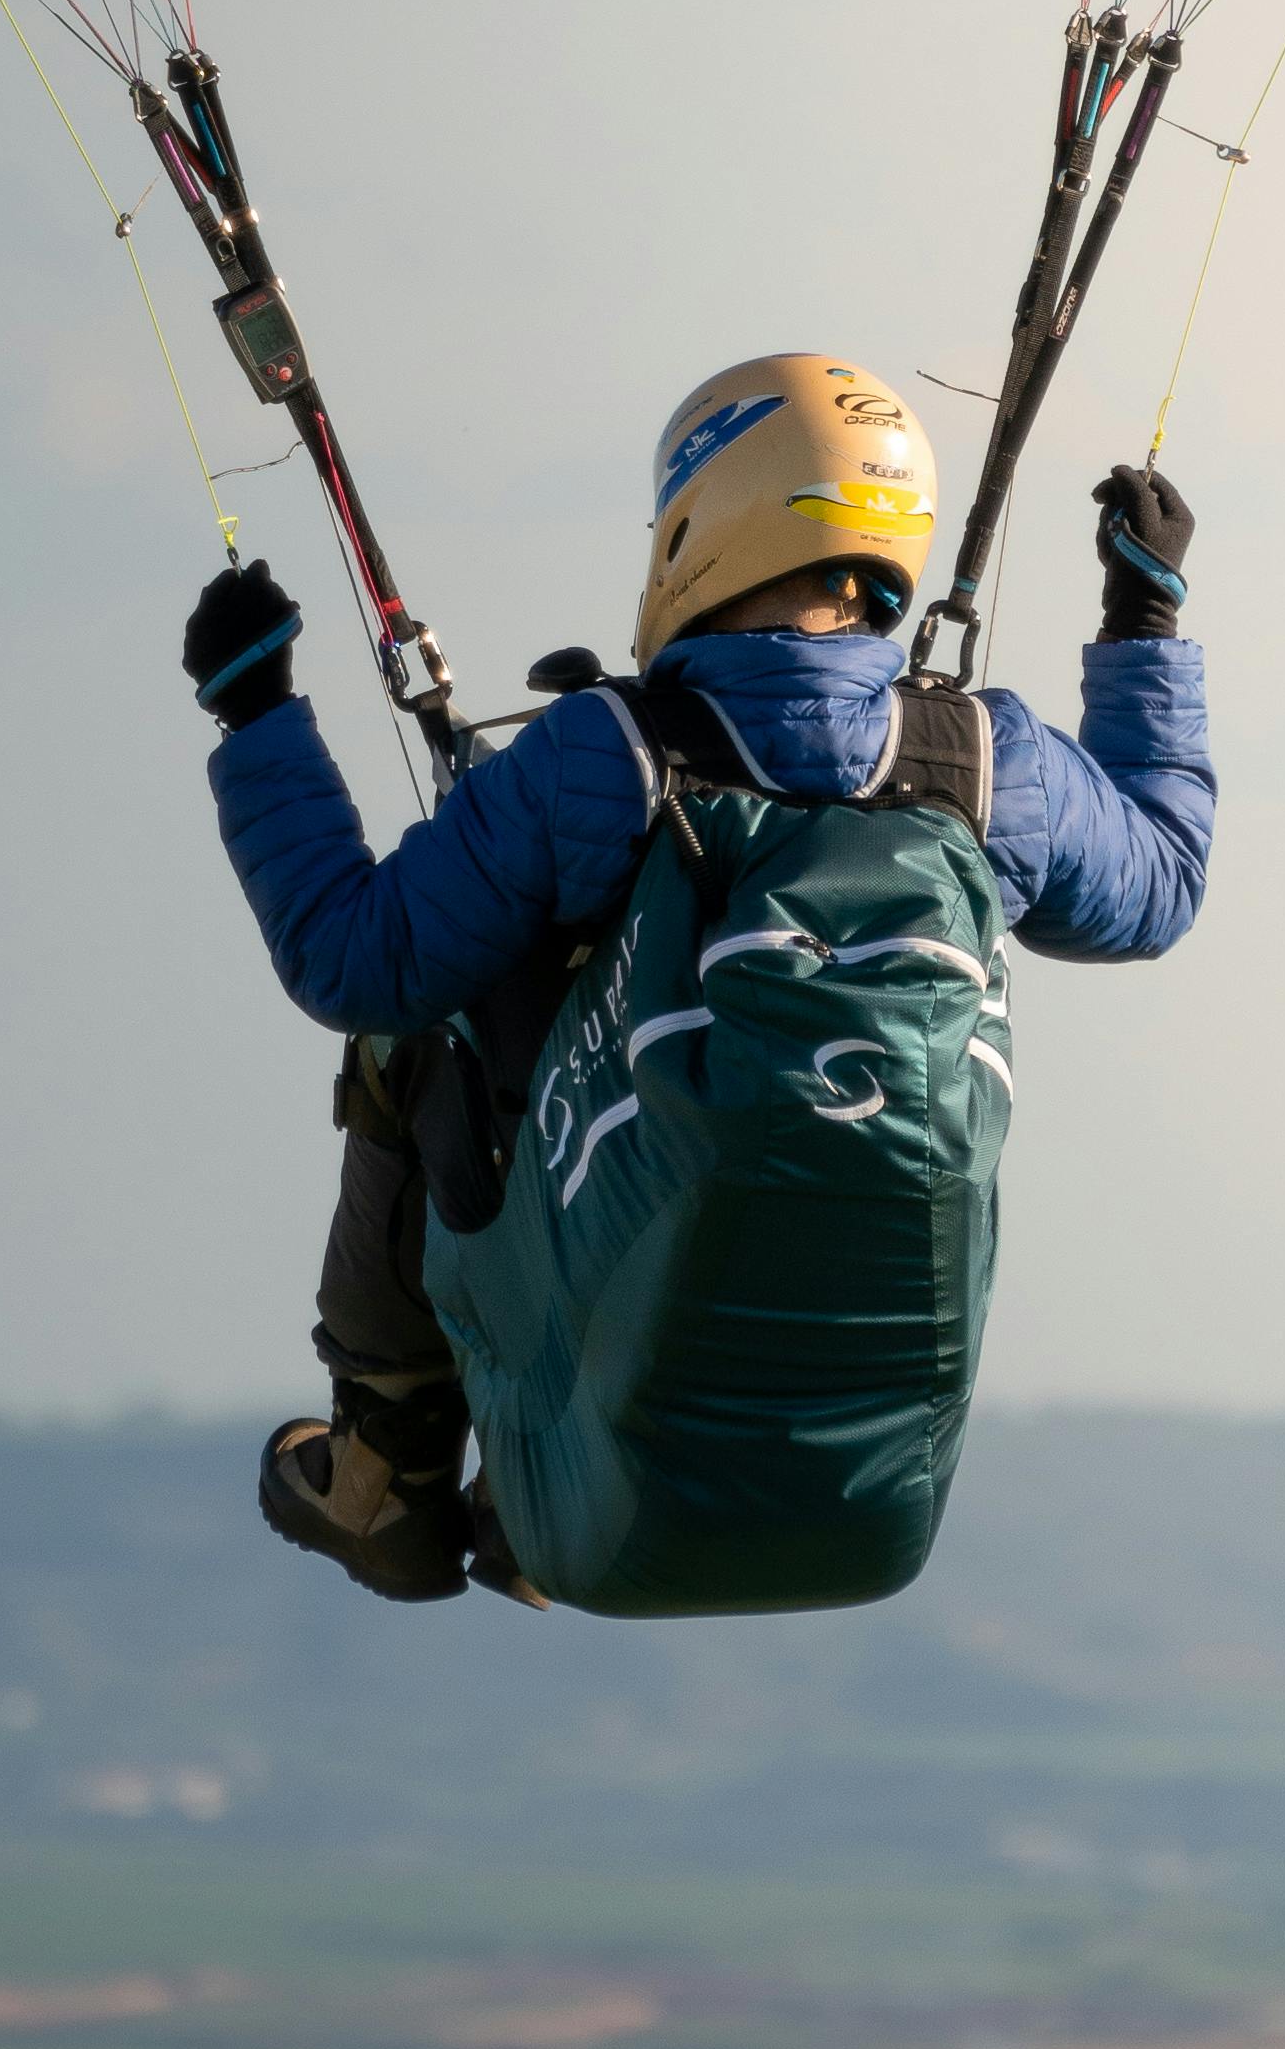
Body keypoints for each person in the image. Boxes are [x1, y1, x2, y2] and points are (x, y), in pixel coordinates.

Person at [178, 352, 1213, 1599]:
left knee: (415, 1038)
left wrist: (258, 715)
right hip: (872, 1513)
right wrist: (1143, 621)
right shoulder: (992, 764)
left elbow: (356, 959)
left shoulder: (599, 762)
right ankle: (536, 1475)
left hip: (595, 1263)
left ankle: (388, 1469)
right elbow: (1156, 886)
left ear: (700, 525)